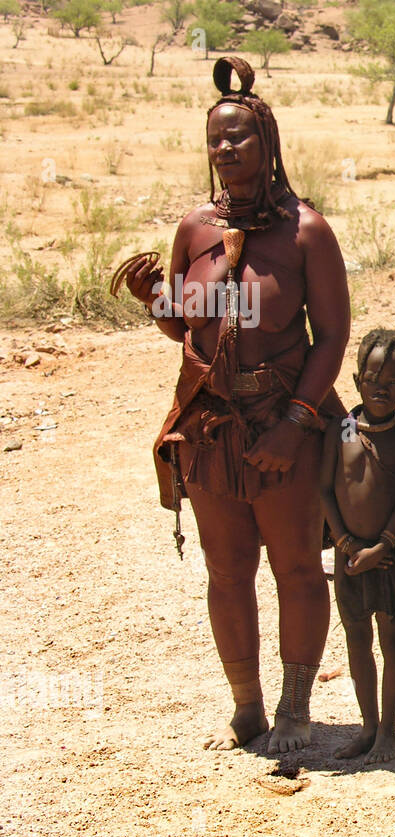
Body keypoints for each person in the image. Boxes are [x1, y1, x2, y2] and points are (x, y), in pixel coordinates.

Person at [120, 57, 348, 753]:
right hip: (210, 428)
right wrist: (155, 300)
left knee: (298, 569)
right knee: (226, 571)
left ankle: (295, 710)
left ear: (267, 146)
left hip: (284, 425)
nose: (226, 150)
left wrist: (294, 424)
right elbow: (190, 328)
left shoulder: (306, 231)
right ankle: (246, 708)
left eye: (240, 138)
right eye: (216, 139)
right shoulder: (194, 230)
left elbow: (331, 335)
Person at [319, 329, 395, 764]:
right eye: (374, 377)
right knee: (357, 641)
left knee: (391, 638)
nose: (382, 387)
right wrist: (343, 542)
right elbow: (324, 489)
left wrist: (382, 546)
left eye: (394, 382)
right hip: (348, 556)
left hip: (389, 557)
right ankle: (367, 726)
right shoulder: (339, 431)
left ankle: (390, 732)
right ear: (357, 378)